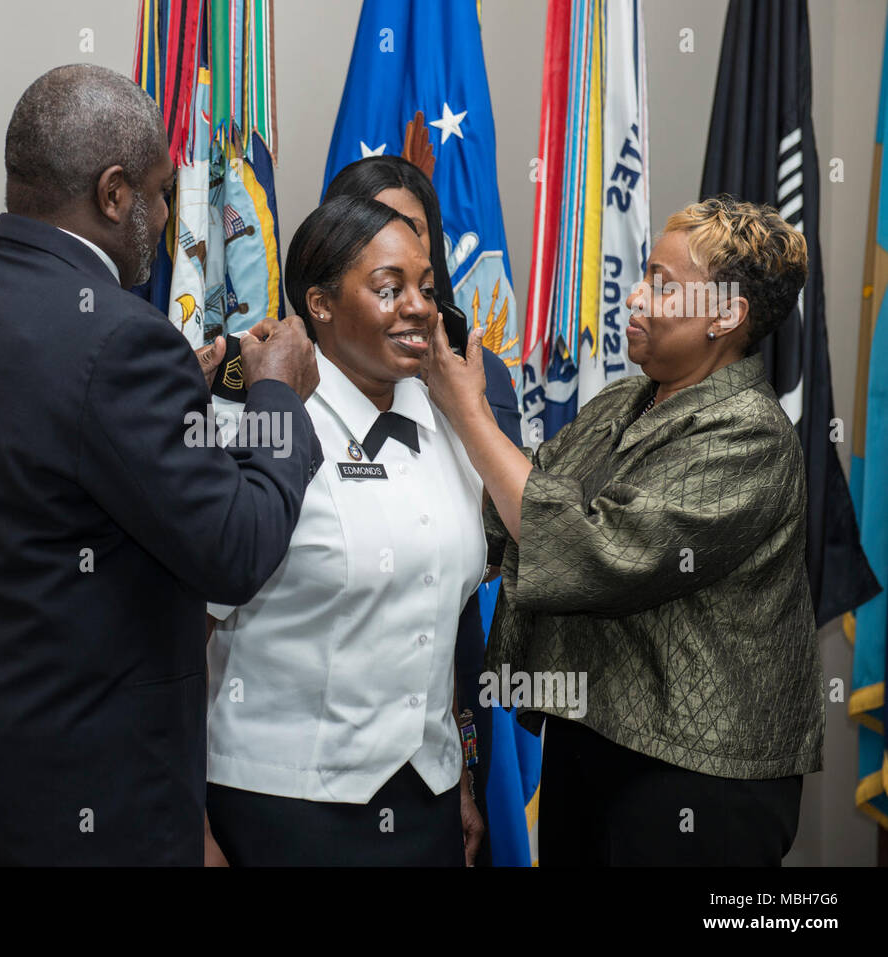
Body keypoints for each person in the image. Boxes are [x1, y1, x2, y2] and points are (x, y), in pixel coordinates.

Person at [0, 63, 323, 866]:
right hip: (86, 812)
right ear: (112, 193)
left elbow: (63, 465)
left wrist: (174, 401)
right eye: (163, 193)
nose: (170, 217)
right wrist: (277, 398)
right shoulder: (121, 341)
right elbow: (235, 551)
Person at [420, 195, 825, 866]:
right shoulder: (621, 401)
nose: (633, 296)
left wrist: (469, 412)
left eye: (661, 285)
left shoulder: (750, 433)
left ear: (726, 314)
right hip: (593, 739)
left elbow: (588, 550)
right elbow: (510, 510)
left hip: (697, 778)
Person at [203, 196, 487, 866]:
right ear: (320, 306)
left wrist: (460, 776)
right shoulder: (257, 423)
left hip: (427, 795)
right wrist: (189, 821)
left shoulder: (446, 412)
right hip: (285, 805)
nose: (418, 305)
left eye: (425, 287)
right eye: (389, 290)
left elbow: (436, 608)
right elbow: (185, 633)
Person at [323, 155, 522, 863]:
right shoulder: (280, 375)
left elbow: (509, 534)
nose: (400, 246)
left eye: (413, 230)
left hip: (448, 659)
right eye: (376, 229)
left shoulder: (477, 368)